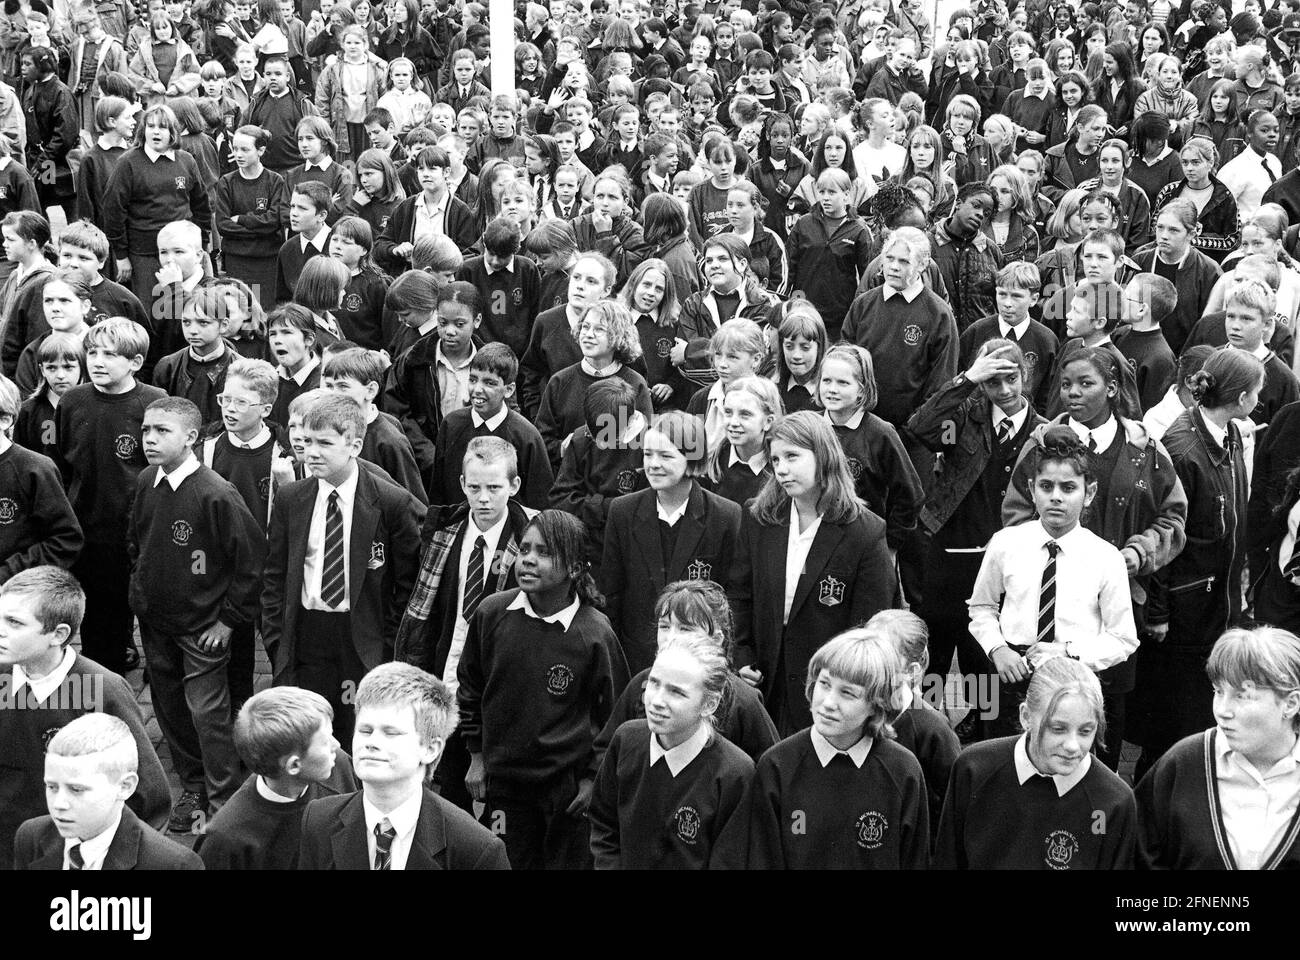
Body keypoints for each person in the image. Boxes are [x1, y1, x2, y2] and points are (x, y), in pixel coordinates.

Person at [1003, 348, 1188, 768]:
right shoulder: (1041, 443)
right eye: (1066, 384)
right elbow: (1014, 514)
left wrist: (1137, 553)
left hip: (1114, 612)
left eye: (1086, 384)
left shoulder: (1144, 448)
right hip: (1047, 608)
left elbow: (1173, 517)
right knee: (1045, 714)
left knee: (1104, 719)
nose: (1073, 393)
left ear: (1112, 389)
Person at [456, 509, 629, 870]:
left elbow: (615, 715)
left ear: (576, 569)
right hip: (505, 786)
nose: (529, 560)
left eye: (545, 552)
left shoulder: (595, 634)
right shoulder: (492, 613)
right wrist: (476, 755)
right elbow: (469, 689)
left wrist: (592, 780)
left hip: (566, 795)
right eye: (524, 549)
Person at [129, 396, 264, 828]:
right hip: (156, 623)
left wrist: (227, 621)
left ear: (190, 438)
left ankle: (224, 802)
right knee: (168, 708)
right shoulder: (145, 481)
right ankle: (192, 786)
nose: (149, 439)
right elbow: (137, 542)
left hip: (204, 627)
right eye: (146, 430)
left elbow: (250, 563)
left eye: (162, 431)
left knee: (208, 713)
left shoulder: (216, 493)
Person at [261, 392, 425, 743]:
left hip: (360, 637)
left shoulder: (390, 503)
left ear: (354, 445)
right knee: (305, 732)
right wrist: (276, 639)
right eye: (306, 442)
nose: (312, 452)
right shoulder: (292, 498)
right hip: (306, 634)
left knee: (357, 733)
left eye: (324, 443)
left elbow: (406, 585)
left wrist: (385, 646)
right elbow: (275, 574)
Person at [1132, 348, 1260, 778]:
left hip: (1217, 599)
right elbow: (1167, 532)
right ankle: (1159, 784)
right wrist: (1159, 612)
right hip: (1186, 606)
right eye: (1256, 393)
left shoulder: (1234, 434)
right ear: (1241, 397)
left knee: (1200, 701)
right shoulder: (1183, 448)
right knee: (1176, 712)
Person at [728, 411, 896, 736]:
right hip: (764, 681)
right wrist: (741, 655)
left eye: (793, 456)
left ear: (824, 457)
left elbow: (870, 624)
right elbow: (738, 596)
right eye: (775, 459)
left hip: (827, 690)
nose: (782, 469)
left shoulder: (864, 531)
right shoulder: (759, 517)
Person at [0, 565, 171, 869]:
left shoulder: (101, 688)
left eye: (14, 622)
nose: (1, 629)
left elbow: (149, 792)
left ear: (58, 634)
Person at [735, 627, 930, 869]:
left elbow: (915, 859)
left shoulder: (903, 771)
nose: (828, 703)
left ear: (876, 703)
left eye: (847, 693)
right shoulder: (777, 766)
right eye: (824, 683)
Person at [588, 600, 754, 869]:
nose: (657, 701)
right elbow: (604, 826)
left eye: (677, 692)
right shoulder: (626, 740)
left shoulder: (735, 773)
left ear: (709, 703)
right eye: (654, 683)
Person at [298, 661, 510, 869]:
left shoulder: (475, 849)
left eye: (391, 733)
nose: (371, 742)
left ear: (430, 749)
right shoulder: (319, 820)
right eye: (365, 730)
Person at [935, 656, 1137, 868]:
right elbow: (948, 859)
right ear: (1025, 716)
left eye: (1086, 731)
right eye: (1058, 729)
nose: (1072, 745)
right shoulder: (974, 768)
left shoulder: (1114, 801)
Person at [1135, 625, 1300, 869]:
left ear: (1291, 703)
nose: (1222, 710)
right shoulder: (1183, 762)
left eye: (1242, 696)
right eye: (1218, 691)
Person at [52, 319, 164, 676]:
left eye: (110, 355)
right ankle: (107, 676)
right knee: (99, 616)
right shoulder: (72, 402)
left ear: (134, 362)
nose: (97, 361)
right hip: (90, 530)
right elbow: (61, 465)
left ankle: (160, 669)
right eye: (93, 352)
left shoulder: (153, 401)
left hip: (140, 528)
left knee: (149, 605)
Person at [599, 410, 740, 675]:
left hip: (699, 660)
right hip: (635, 658)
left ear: (692, 459)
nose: (653, 464)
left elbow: (732, 597)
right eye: (648, 454)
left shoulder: (725, 515)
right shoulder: (623, 511)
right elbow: (611, 592)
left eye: (666, 456)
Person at [12, 713, 202, 870]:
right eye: (52, 787)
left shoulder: (174, 865)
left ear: (125, 786)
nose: (58, 804)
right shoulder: (30, 836)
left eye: (76, 789)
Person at [197, 686, 356, 869]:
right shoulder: (226, 838)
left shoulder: (339, 765)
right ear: (294, 765)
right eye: (325, 741)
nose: (336, 745)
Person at [841, 227, 959, 429]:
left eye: (904, 261)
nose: (894, 267)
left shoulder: (939, 314)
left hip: (913, 433)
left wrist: (918, 425)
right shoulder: (863, 304)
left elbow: (941, 383)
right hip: (861, 423)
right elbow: (845, 362)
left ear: (922, 264)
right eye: (889, 258)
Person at [101, 103, 211, 313]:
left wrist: (202, 243)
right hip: (145, 253)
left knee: (188, 308)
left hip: (183, 252)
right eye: (151, 126)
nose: (156, 132)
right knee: (154, 311)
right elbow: (113, 211)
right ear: (143, 131)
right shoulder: (128, 163)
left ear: (173, 132)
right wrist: (121, 255)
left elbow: (201, 205)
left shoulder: (186, 160)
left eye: (162, 127)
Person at [428, 344, 550, 512]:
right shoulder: (451, 424)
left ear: (508, 390)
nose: (477, 389)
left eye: (489, 383)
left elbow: (539, 502)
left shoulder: (526, 436)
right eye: (472, 379)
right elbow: (438, 492)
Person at [320, 347, 425, 504]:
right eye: (329, 386)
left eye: (343, 387)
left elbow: (414, 504)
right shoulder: (327, 429)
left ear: (371, 390)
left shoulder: (389, 440)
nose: (333, 394)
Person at [1113, 273, 1179, 413]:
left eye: (1126, 297)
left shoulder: (1161, 358)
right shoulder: (1120, 333)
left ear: (1142, 309)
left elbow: (1150, 411)